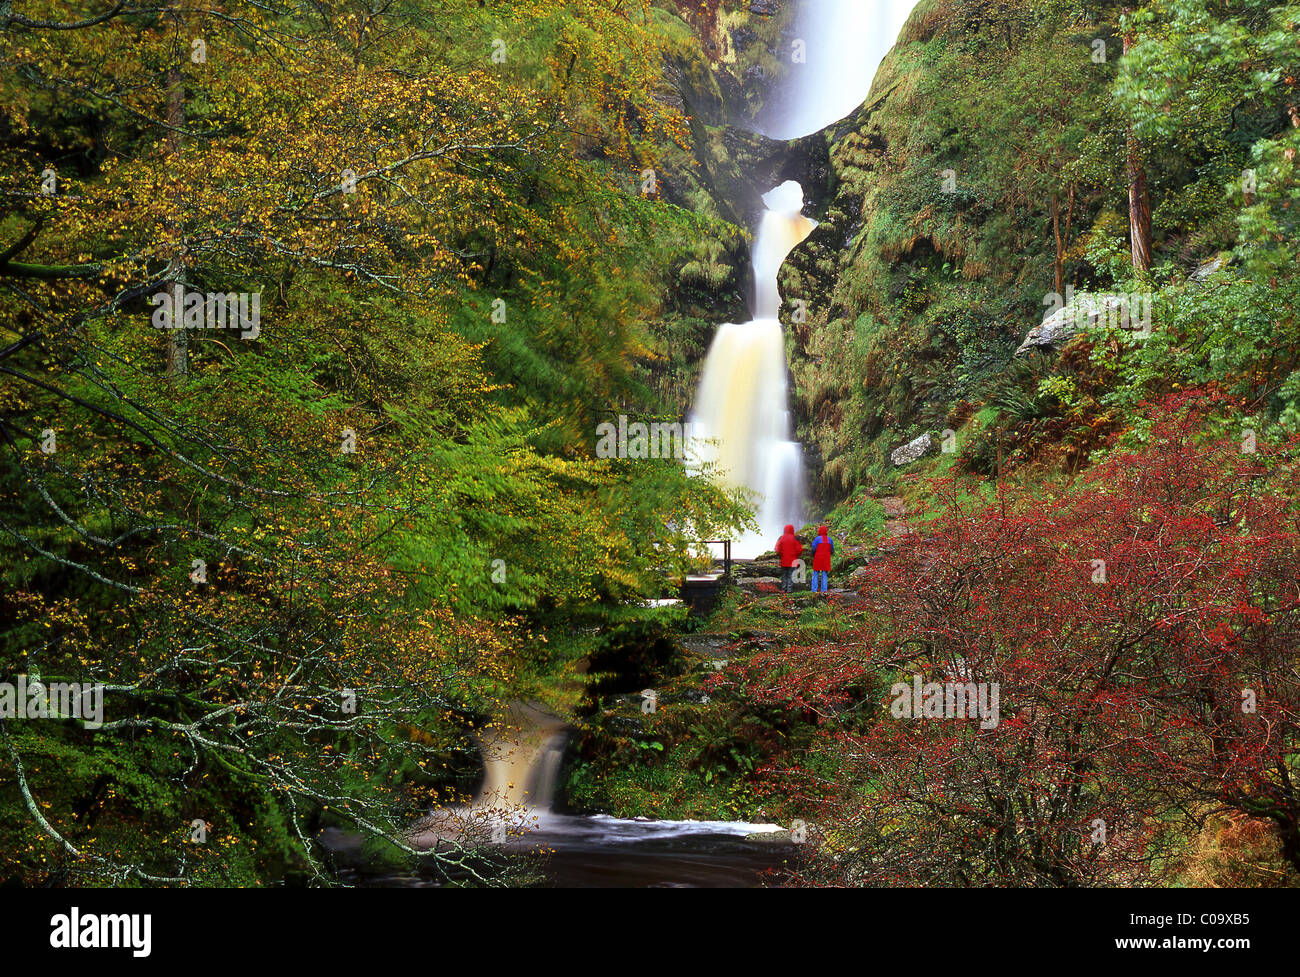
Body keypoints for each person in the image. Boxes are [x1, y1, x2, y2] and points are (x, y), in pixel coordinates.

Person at [774, 524, 803, 594]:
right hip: (793, 561)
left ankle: (784, 589)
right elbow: (799, 549)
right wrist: (796, 555)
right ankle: (789, 590)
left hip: (784, 561)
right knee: (791, 575)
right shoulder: (794, 538)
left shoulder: (782, 538)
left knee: (784, 575)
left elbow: (777, 548)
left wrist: (781, 555)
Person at [810, 524, 834, 595]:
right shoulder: (830, 539)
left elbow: (813, 548)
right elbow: (832, 550)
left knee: (815, 574)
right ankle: (824, 590)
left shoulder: (817, 539)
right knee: (824, 574)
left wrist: (813, 555)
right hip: (826, 559)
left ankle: (814, 590)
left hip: (818, 558)